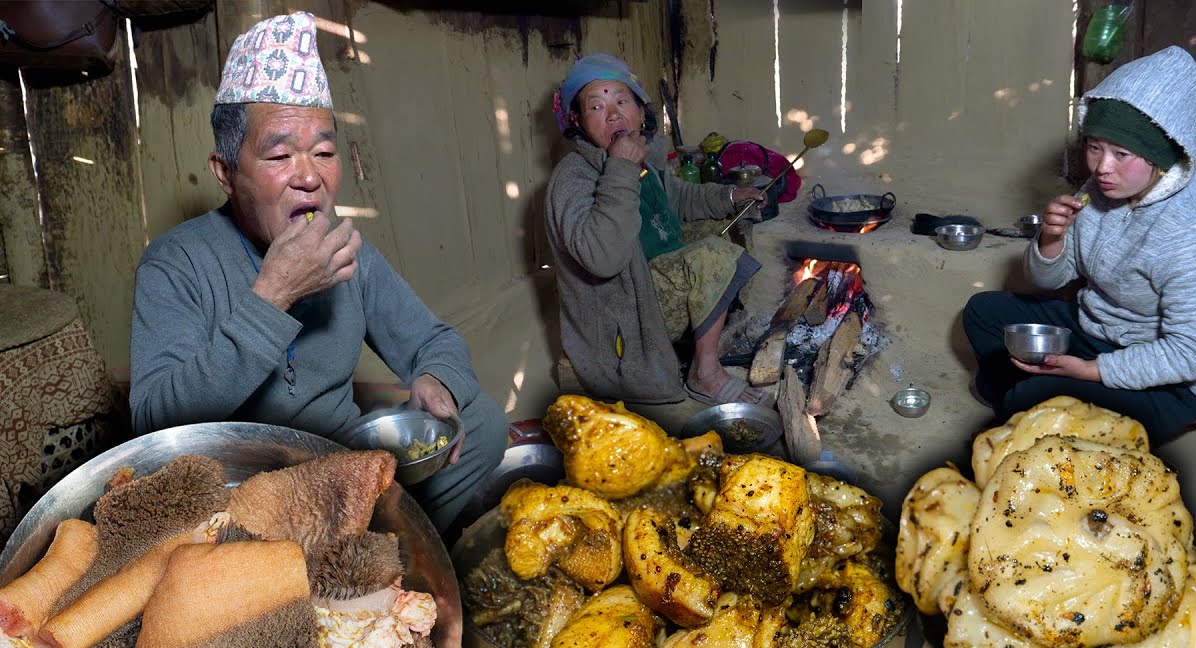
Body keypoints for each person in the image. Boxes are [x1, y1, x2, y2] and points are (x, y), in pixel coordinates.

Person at [128, 12, 505, 539]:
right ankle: (352, 552)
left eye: (324, 152)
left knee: (483, 421)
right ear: (225, 172)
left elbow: (434, 340)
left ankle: (365, 547)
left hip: (341, 464)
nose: (309, 176)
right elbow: (153, 422)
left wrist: (435, 380)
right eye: (280, 154)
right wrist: (273, 295)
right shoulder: (176, 264)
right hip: (242, 487)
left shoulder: (349, 252)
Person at [962, 45, 1196, 442]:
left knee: (1024, 403)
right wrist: (1051, 240)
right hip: (1094, 332)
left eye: (1122, 153)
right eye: (1094, 146)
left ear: (1162, 158)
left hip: (1170, 382)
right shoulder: (1099, 190)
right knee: (982, 311)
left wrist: (1091, 371)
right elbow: (1049, 281)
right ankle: (1026, 396)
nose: (1101, 167)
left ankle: (1022, 397)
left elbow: (1188, 355)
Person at [545, 54, 770, 406]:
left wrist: (731, 195)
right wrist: (620, 168)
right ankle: (705, 374)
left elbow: (680, 199)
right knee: (713, 254)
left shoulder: (642, 159)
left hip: (657, 282)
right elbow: (602, 258)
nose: (614, 114)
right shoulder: (573, 178)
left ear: (639, 111)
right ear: (577, 120)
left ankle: (699, 341)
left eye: (622, 101)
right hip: (626, 315)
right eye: (596, 106)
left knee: (729, 230)